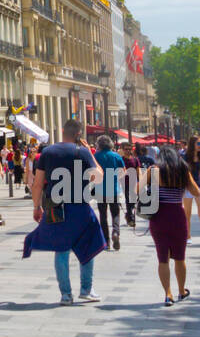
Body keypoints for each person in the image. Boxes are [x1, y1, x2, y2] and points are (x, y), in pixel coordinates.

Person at [24, 119, 103, 305]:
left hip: (54, 205)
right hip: (79, 204)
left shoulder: (47, 152)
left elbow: (37, 184)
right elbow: (99, 177)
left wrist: (37, 207)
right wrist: (91, 155)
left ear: (62, 131)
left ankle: (66, 295)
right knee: (89, 245)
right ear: (78, 134)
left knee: (61, 249)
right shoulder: (82, 152)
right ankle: (86, 289)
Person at [144, 146, 200, 305]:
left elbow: (137, 189)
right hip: (177, 215)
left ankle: (168, 294)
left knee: (163, 258)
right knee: (180, 257)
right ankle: (181, 291)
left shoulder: (154, 170)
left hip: (158, 216)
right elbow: (196, 192)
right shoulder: (183, 169)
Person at [93, 135, 125, 251]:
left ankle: (106, 241)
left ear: (99, 145)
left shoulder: (95, 156)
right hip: (114, 190)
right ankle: (115, 232)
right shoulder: (116, 156)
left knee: (103, 215)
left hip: (100, 190)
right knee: (115, 213)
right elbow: (123, 172)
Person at [119, 142, 140, 227]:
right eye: (126, 149)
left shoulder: (135, 159)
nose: (128, 151)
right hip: (125, 183)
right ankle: (131, 219)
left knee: (134, 201)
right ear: (123, 150)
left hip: (134, 183)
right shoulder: (120, 159)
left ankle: (128, 215)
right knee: (128, 200)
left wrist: (140, 182)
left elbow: (138, 171)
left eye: (129, 149)